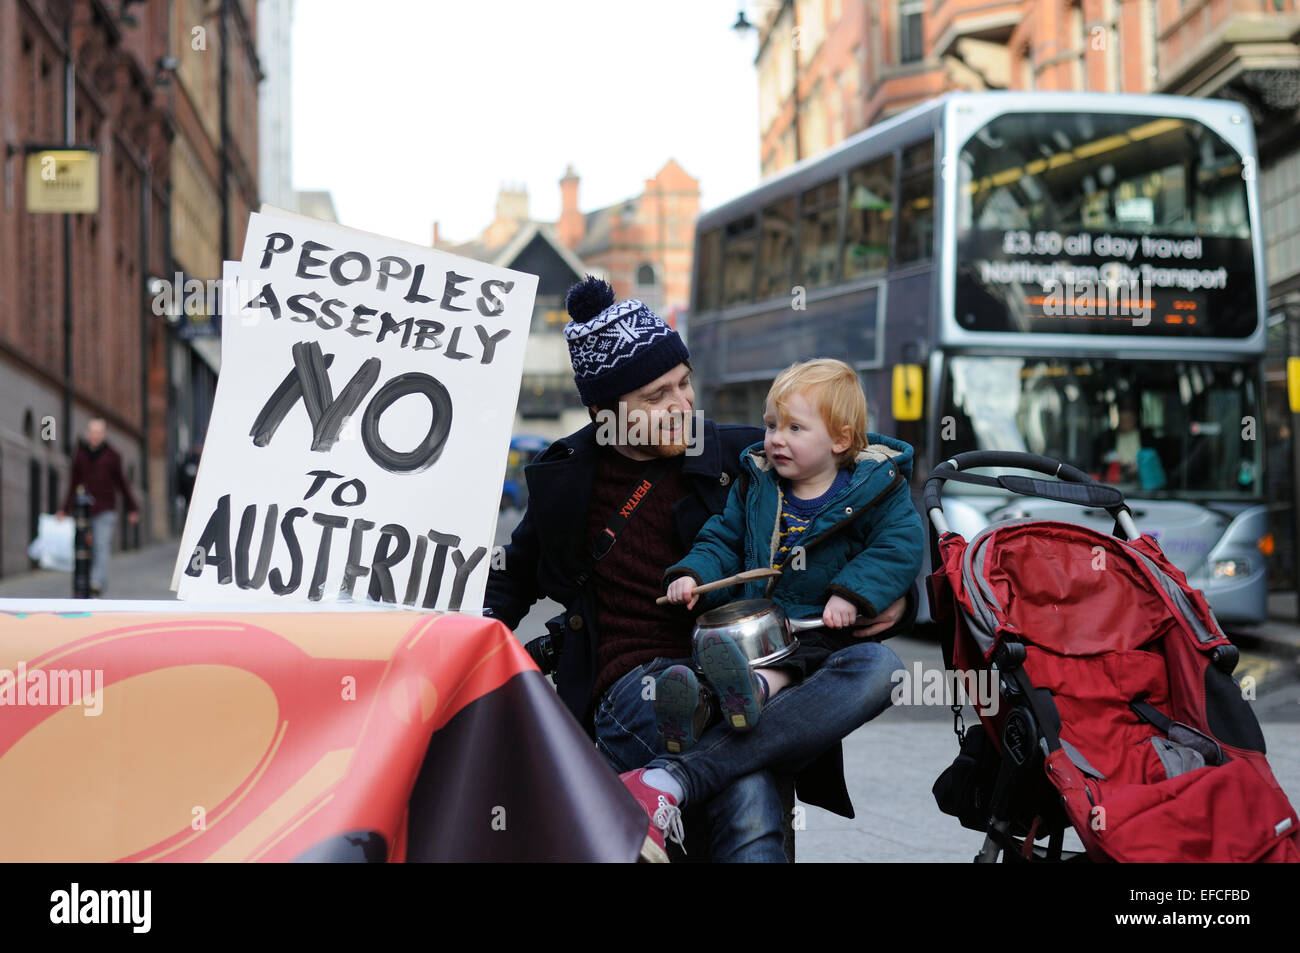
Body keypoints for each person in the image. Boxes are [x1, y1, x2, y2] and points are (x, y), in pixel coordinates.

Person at [484, 277, 913, 863]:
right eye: (656, 396)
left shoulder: (746, 456)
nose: (682, 406)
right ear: (603, 412)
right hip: (636, 685)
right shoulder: (567, 482)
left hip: (755, 669)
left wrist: (894, 599)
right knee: (748, 769)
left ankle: (665, 784)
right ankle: (679, 770)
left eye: (685, 384)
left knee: (878, 670)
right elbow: (503, 584)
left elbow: (860, 478)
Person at [630, 359, 922, 853]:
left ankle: (745, 695)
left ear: (839, 439)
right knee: (731, 662)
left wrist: (851, 593)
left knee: (872, 667)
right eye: (770, 425)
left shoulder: (878, 490)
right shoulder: (756, 483)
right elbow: (721, 539)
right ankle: (704, 698)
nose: (775, 439)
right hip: (753, 633)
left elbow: (900, 546)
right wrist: (692, 574)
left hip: (820, 629)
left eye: (794, 428)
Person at [57, 418, 139, 595]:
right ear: (88, 433)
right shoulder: (80, 455)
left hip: (106, 510)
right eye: (92, 432)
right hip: (84, 512)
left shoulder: (113, 456)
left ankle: (97, 582)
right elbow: (73, 483)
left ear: (104, 434)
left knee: (101, 545)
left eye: (99, 432)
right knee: (86, 549)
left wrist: (132, 508)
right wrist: (64, 508)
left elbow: (122, 483)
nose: (95, 435)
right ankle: (89, 584)